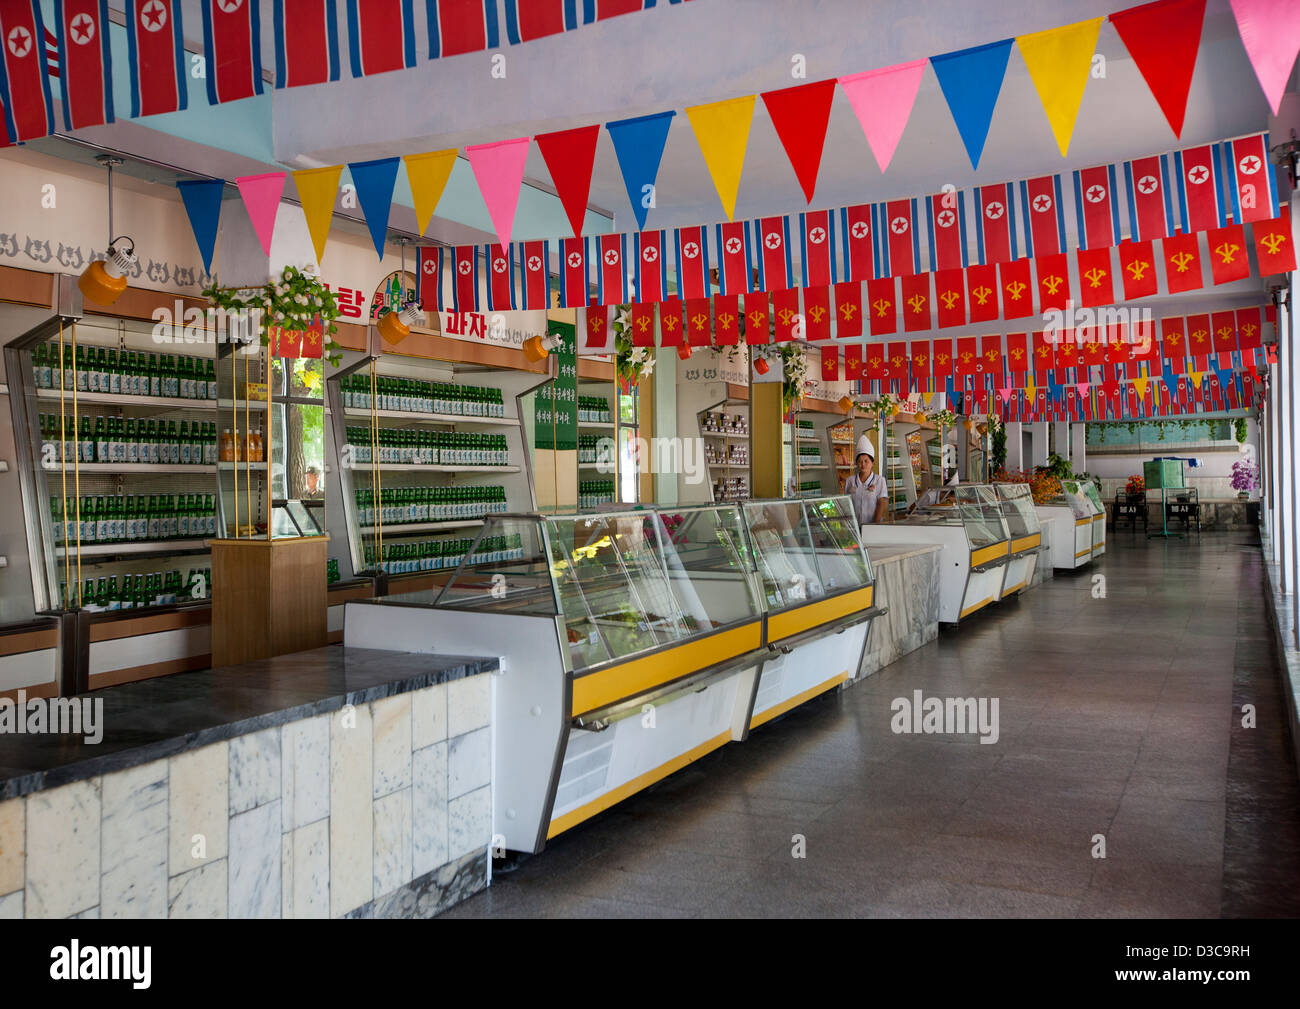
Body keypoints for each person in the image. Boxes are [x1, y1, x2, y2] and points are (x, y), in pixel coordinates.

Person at [843, 434, 887, 526]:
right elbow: (846, 505)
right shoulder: (849, 481)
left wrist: (874, 526)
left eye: (866, 461)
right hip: (854, 526)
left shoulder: (879, 481)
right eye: (860, 461)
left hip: (872, 526)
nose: (863, 464)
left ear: (872, 463)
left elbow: (881, 504)